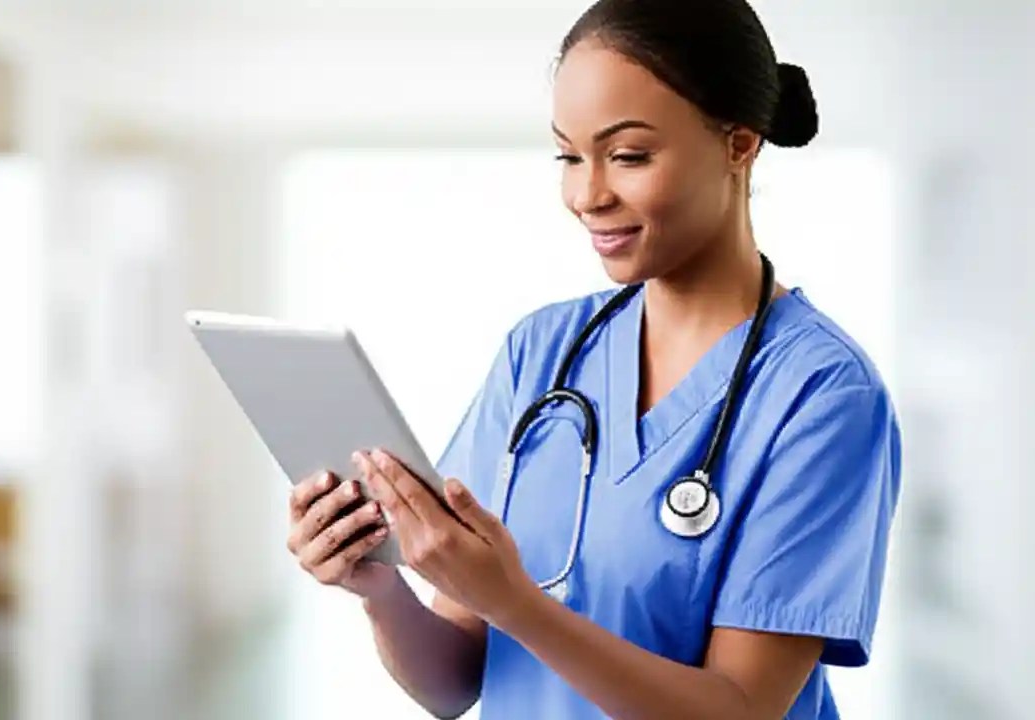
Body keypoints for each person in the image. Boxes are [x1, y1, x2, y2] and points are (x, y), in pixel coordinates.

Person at [284, 0, 902, 717]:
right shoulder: (539, 354)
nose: (586, 194)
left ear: (739, 144)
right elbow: (454, 682)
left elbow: (740, 708)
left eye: (629, 156)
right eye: (569, 156)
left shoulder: (822, 394)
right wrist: (382, 590)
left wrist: (515, 604)